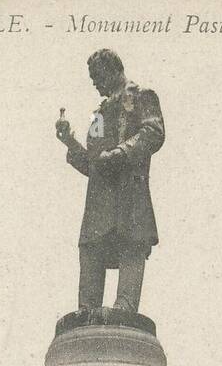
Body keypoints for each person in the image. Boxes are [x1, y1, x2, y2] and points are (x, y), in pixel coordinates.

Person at [55, 49, 164, 314]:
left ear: (114, 70)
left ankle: (125, 307)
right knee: (91, 249)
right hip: (99, 201)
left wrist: (120, 154)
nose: (93, 82)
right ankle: (86, 310)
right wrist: (69, 141)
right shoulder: (98, 116)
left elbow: (153, 132)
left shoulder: (142, 97)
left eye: (96, 75)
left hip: (130, 194)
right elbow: (92, 163)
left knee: (131, 243)